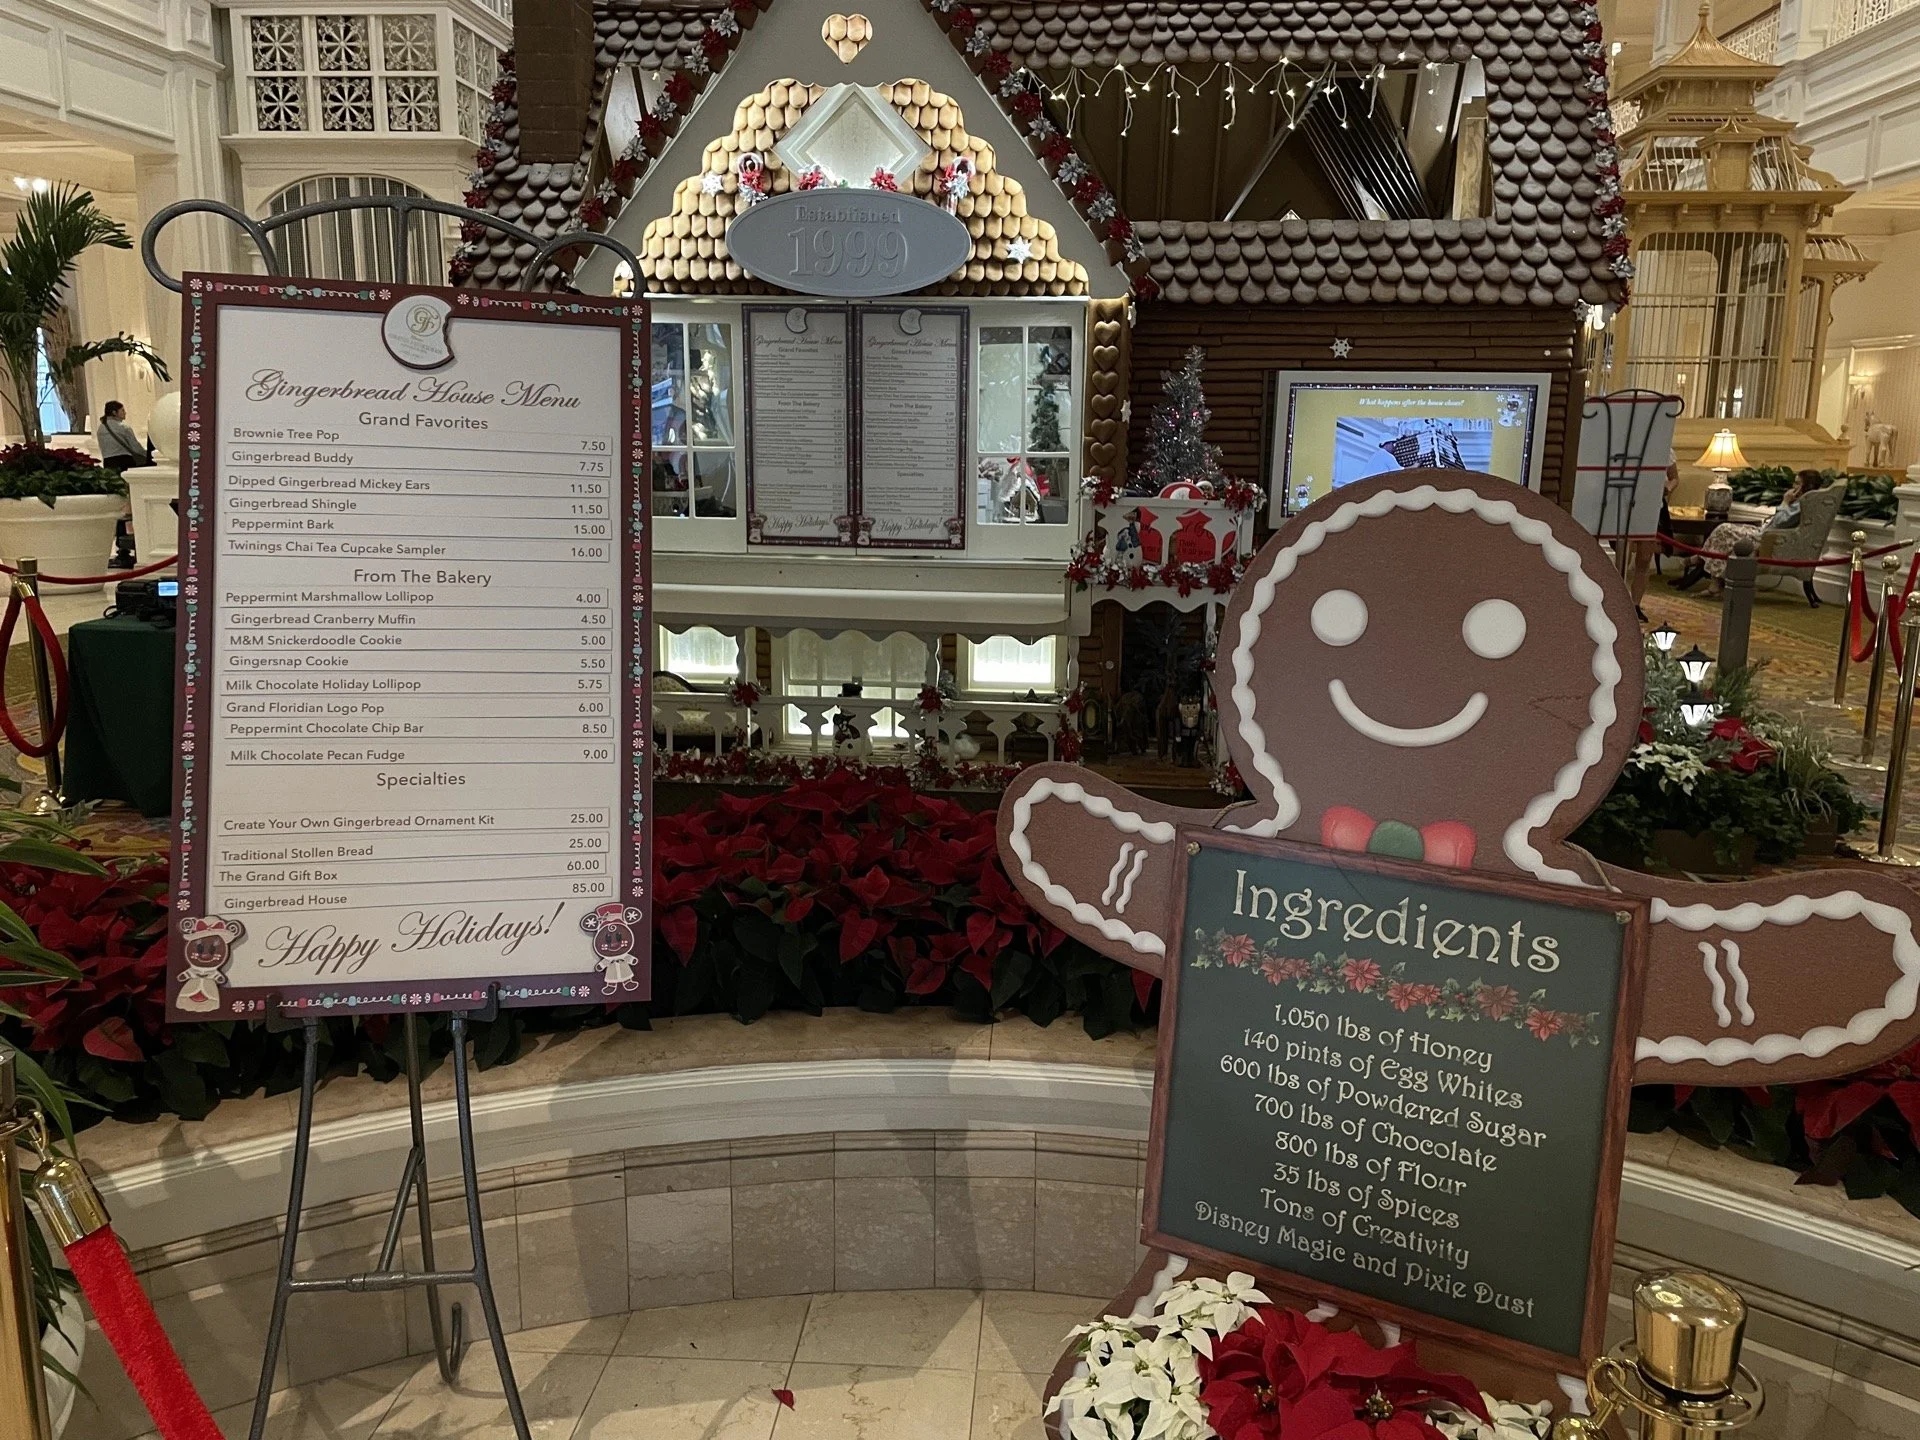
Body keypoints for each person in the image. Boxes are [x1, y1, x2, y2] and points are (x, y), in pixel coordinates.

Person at [1673, 469, 1830, 591]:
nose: (1793, 487)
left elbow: (1780, 522)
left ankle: (1699, 560)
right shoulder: (1805, 502)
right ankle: (1707, 571)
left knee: (1724, 529)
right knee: (1725, 533)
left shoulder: (1800, 504)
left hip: (1767, 538)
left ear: (1806, 486)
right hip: (1765, 532)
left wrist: (1785, 501)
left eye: (1797, 484)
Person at [96, 402, 150, 472]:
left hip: (108, 461)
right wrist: (147, 455)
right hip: (124, 461)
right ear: (114, 412)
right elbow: (136, 447)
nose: (125, 412)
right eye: (122, 410)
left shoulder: (100, 428)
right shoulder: (124, 428)